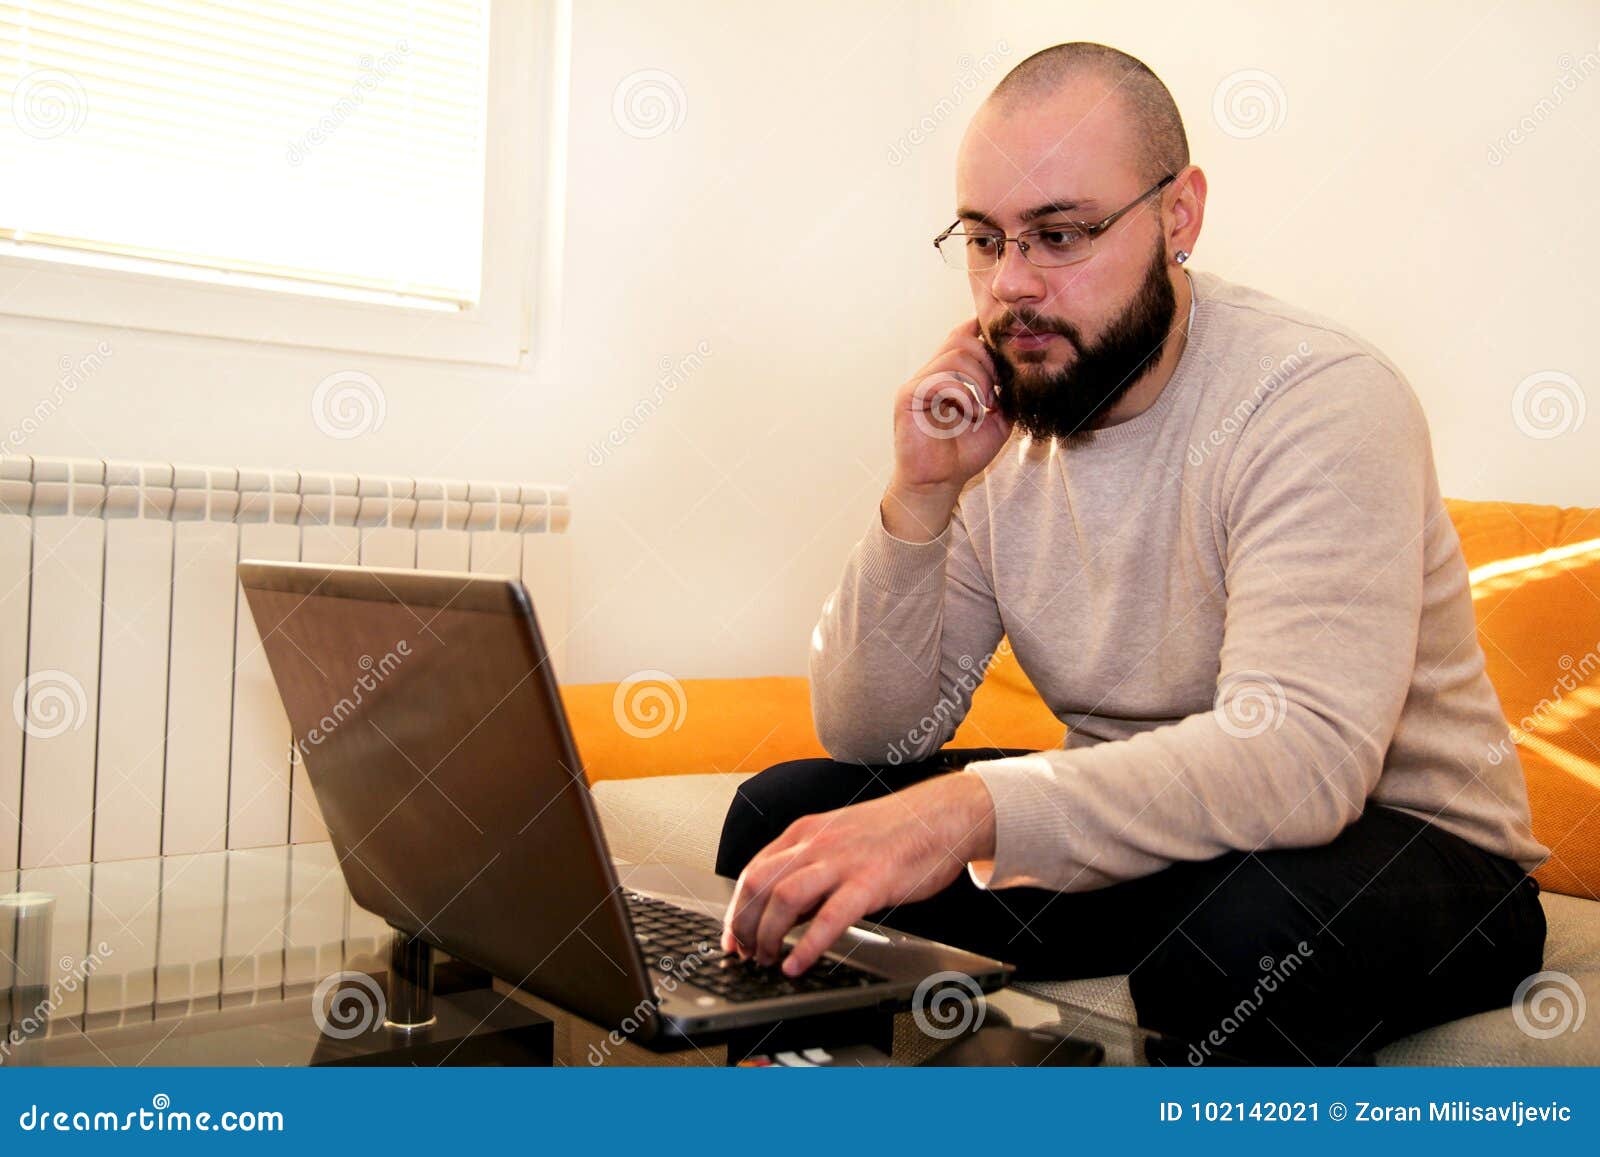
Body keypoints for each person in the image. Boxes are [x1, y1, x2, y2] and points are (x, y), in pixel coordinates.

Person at [715, 41, 1547, 1065]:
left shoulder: (1319, 398)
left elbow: (1301, 760)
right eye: (983, 239)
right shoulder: (1011, 410)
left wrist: (968, 811)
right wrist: (921, 492)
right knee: (787, 820)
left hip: (1412, 843)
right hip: (1161, 833)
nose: (1010, 288)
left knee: (1239, 934)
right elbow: (870, 731)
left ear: (1179, 215)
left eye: (1058, 234)